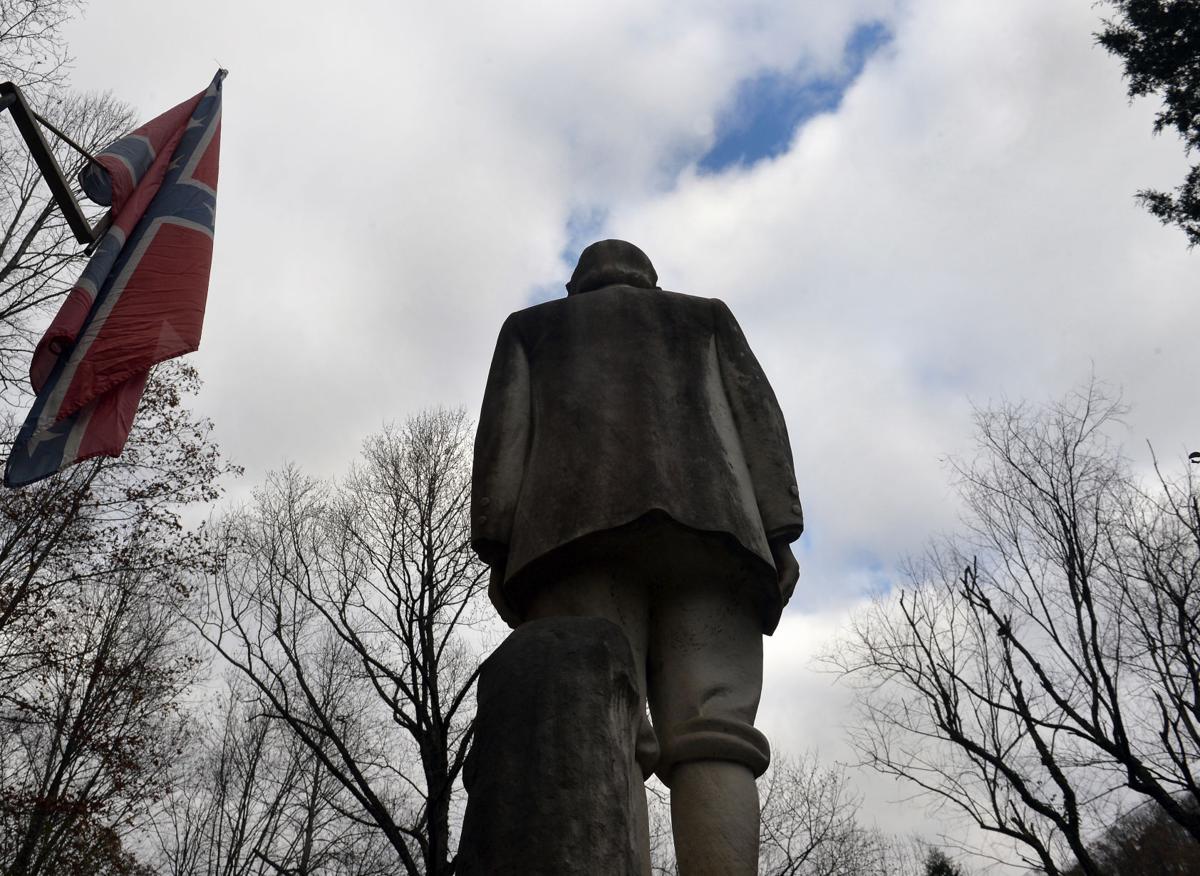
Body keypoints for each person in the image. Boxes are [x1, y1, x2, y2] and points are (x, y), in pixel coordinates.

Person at [472, 239, 802, 874]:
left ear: (577, 285)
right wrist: (778, 532)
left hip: (572, 538)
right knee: (716, 727)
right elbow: (762, 425)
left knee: (595, 720)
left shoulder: (533, 328)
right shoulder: (705, 318)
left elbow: (501, 445)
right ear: (649, 280)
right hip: (719, 535)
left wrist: (500, 546)